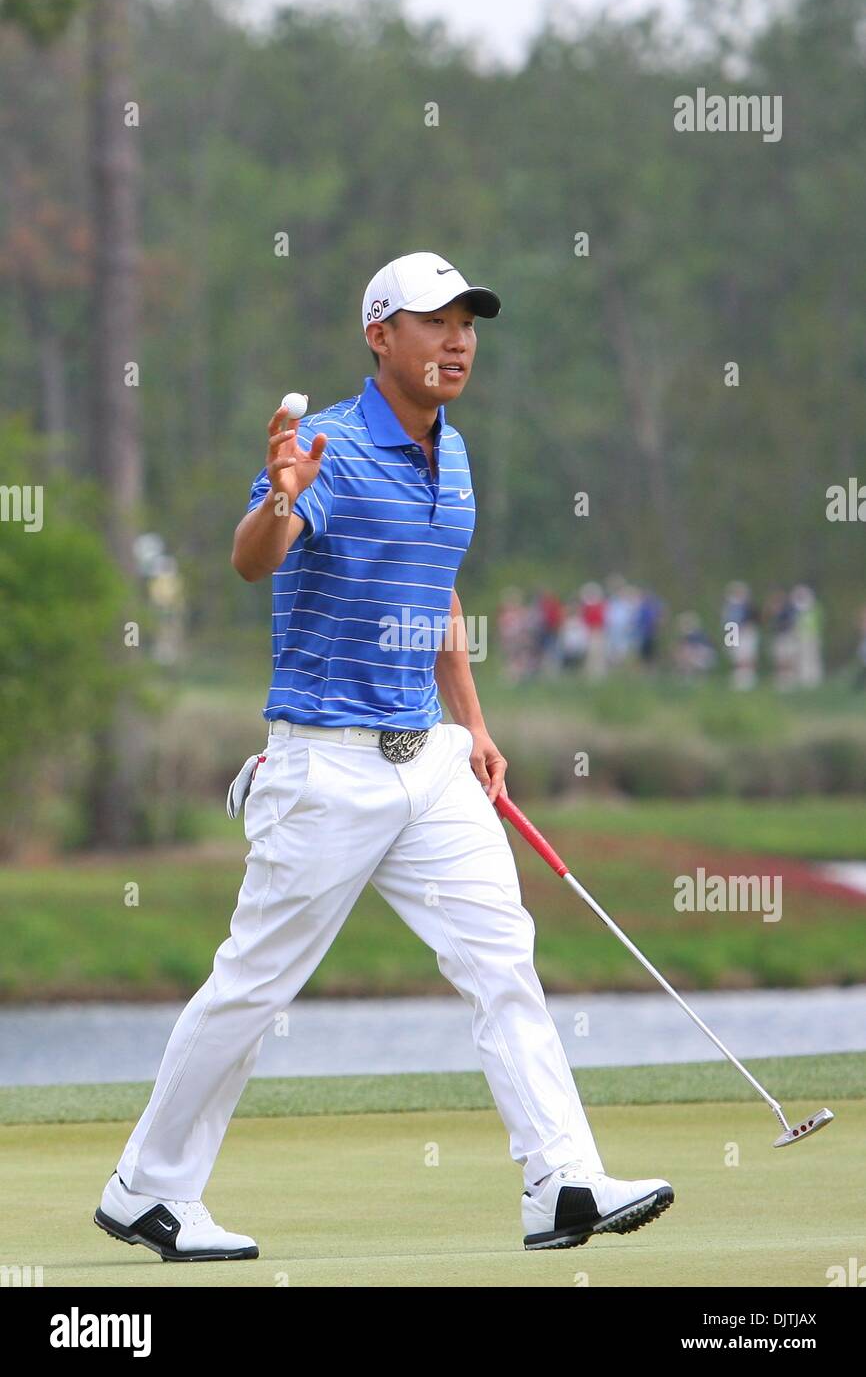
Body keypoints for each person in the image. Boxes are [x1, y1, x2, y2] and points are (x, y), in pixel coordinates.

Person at [94, 251, 672, 1260]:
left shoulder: (452, 454)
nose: (456, 341)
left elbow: (435, 593)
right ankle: (148, 1186)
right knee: (253, 988)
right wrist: (279, 495)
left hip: (429, 764)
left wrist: (477, 727)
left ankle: (559, 1180)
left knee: (502, 963)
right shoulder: (326, 445)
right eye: (433, 322)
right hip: (324, 770)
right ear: (379, 335)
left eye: (467, 324)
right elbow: (251, 559)